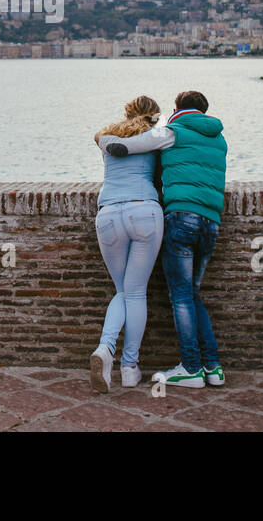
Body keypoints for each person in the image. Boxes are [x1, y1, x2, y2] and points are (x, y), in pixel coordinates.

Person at [99, 90, 227, 389]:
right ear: (205, 111)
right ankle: (213, 367)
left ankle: (191, 368)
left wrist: (103, 139)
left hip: (180, 218)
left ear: (176, 109)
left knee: (178, 295)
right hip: (211, 221)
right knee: (194, 293)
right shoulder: (220, 139)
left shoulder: (172, 132)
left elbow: (124, 148)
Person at [88, 95, 165, 393]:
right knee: (135, 293)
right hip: (143, 211)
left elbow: (99, 138)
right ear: (154, 116)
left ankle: (106, 348)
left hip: (108, 215)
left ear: (127, 112)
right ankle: (129, 367)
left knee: (122, 291)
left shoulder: (107, 136)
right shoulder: (155, 137)